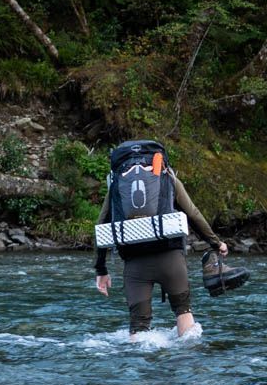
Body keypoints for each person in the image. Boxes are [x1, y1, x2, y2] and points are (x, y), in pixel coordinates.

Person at [94, 139, 227, 338]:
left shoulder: (117, 184)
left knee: (138, 326)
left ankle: (134, 369)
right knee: (183, 311)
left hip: (134, 263)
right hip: (170, 258)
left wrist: (101, 269)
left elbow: (101, 224)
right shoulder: (167, 178)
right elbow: (193, 214)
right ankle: (187, 362)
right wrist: (217, 243)